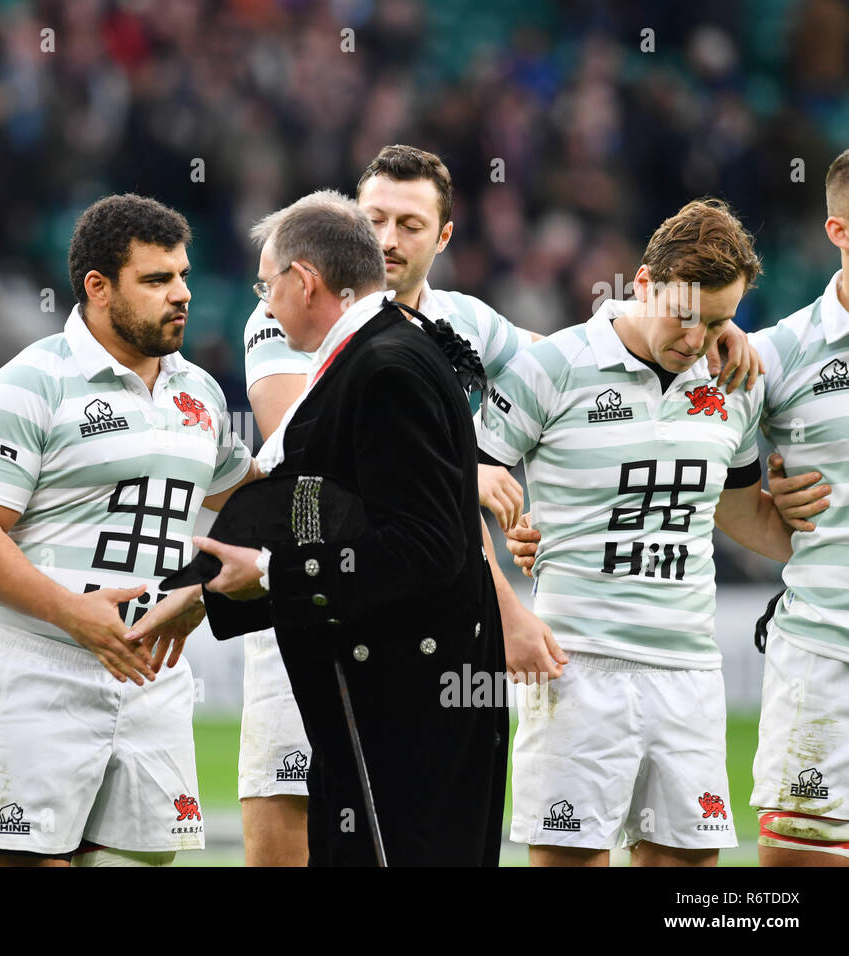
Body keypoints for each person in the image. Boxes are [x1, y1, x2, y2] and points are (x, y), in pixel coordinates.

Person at [235, 144, 763, 866]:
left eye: (411, 224)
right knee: (291, 823)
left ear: (443, 237)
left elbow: (575, 358)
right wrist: (453, 466)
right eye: (376, 217)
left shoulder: (467, 325)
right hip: (320, 598)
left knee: (417, 832)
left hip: (416, 617)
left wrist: (698, 321)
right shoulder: (284, 315)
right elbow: (299, 437)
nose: (388, 238)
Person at [135, 190, 508, 865]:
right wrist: (197, 592)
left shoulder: (386, 368)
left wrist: (272, 574)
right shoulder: (379, 352)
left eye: (266, 285)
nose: (266, 303)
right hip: (387, 709)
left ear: (304, 281)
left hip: (403, 715)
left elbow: (427, 550)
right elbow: (297, 510)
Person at [0, 194, 256, 867]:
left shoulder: (198, 391)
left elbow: (250, 502)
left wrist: (207, 588)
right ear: (98, 288)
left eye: (183, 275)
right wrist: (72, 615)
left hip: (152, 680)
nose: (182, 295)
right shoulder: (30, 384)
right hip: (31, 674)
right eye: (157, 280)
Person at [479, 199, 793, 866]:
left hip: (689, 669)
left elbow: (739, 513)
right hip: (576, 665)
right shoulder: (553, 366)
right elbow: (455, 491)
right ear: (643, 285)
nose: (696, 341)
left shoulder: (732, 382)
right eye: (685, 319)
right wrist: (505, 610)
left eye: (718, 322)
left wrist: (825, 545)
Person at [744, 148, 849, 865]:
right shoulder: (776, 354)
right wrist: (763, 503)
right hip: (823, 649)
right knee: (798, 866)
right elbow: (691, 460)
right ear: (839, 231)